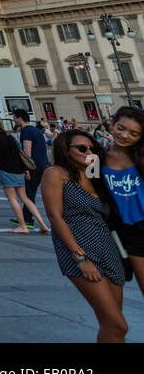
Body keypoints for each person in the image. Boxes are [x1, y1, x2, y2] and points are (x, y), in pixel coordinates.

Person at [42, 129, 127, 342]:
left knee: (112, 323)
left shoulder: (96, 177)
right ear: (66, 150)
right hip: (80, 250)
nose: (88, 152)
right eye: (82, 148)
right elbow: (55, 216)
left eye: (92, 148)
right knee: (118, 323)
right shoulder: (56, 173)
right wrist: (80, 257)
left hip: (108, 249)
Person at [102, 107, 144, 298]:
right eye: (121, 128)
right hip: (130, 231)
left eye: (133, 133)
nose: (124, 135)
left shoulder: (141, 155)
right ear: (112, 124)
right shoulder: (98, 158)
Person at [0, 116, 51, 234]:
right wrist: (25, 169)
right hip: (18, 169)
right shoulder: (9, 136)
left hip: (6, 169)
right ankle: (43, 224)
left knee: (12, 198)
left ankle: (23, 226)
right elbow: (19, 153)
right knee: (25, 198)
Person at [14, 109, 50, 229]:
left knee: (29, 193)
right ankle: (26, 217)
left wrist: (26, 169)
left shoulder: (26, 131)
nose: (13, 120)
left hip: (34, 166)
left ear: (20, 118)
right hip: (43, 164)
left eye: (14, 118)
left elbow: (27, 151)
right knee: (30, 192)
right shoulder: (35, 129)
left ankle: (28, 219)